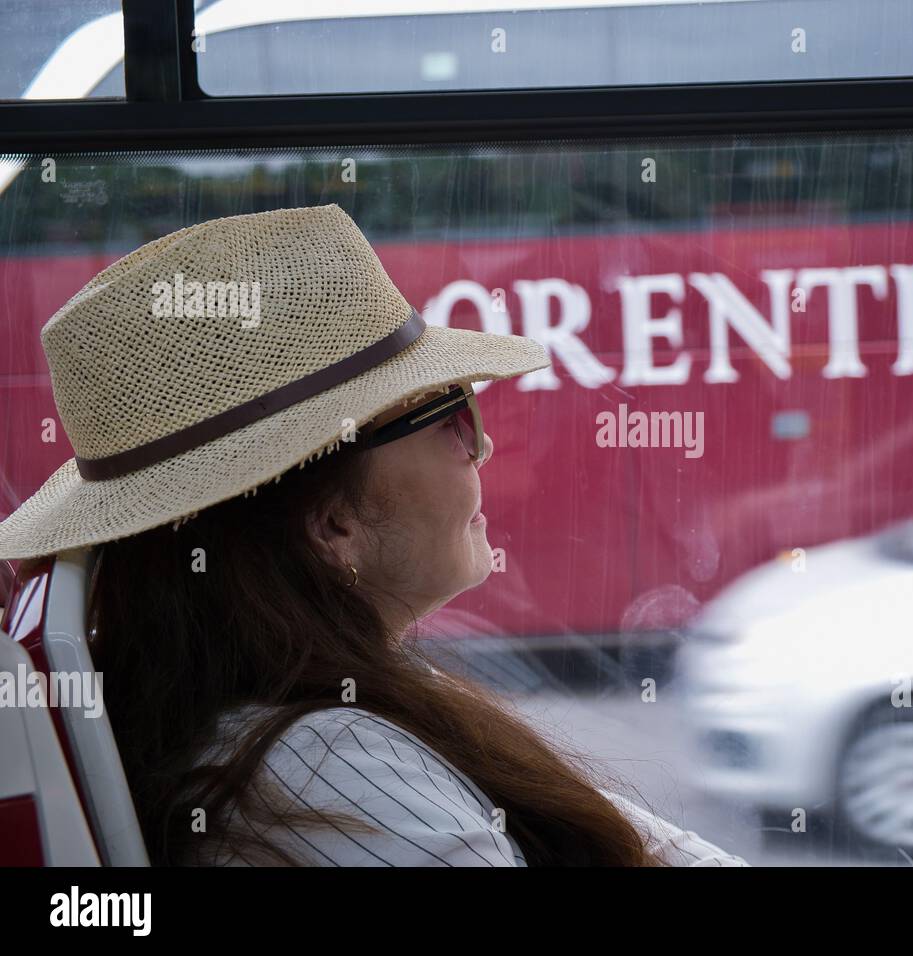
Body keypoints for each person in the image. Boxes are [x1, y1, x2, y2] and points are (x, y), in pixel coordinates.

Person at [0, 204, 747, 867]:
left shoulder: (337, 692)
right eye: (451, 415)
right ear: (333, 525)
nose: (480, 448)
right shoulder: (327, 765)